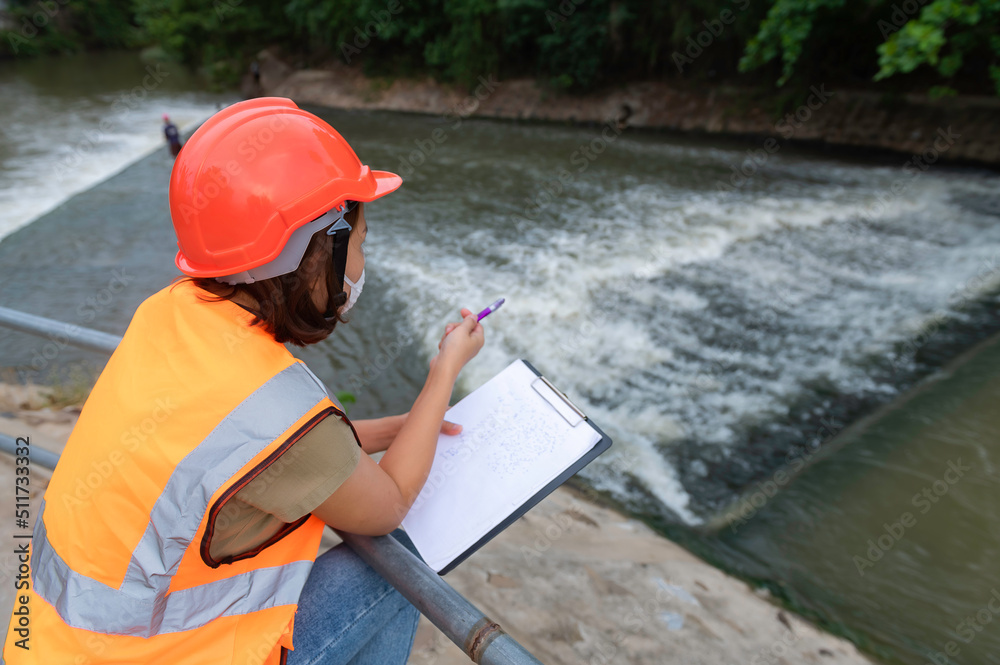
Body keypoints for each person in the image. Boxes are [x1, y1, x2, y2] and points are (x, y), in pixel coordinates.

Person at [3, 97, 485, 664]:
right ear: (314, 253)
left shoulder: (167, 312)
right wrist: (446, 369)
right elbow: (387, 505)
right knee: (400, 563)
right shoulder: (278, 407)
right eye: (359, 244)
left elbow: (236, 443)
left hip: (40, 646)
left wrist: (400, 430)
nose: (360, 264)